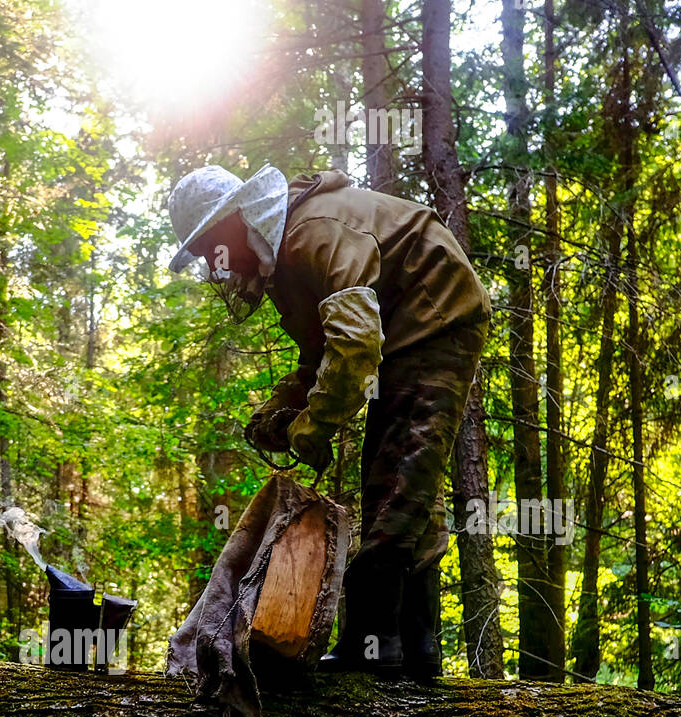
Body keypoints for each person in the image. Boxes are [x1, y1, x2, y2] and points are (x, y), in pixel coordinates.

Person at [167, 163, 491, 680]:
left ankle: (375, 641)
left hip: (434, 312)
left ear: (234, 220)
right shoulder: (284, 262)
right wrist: (282, 409)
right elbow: (321, 353)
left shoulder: (310, 233)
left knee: (398, 471)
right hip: (409, 322)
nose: (216, 265)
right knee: (407, 477)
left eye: (211, 249)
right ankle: (414, 645)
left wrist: (314, 426)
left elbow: (356, 342)